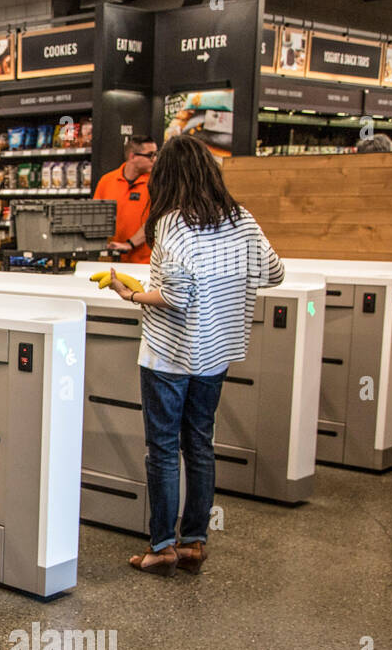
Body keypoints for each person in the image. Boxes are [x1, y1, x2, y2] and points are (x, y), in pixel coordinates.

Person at [104, 134, 284, 576]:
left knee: (163, 450)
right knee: (200, 444)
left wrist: (129, 294)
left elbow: (174, 297)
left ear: (167, 175)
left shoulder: (171, 223)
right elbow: (275, 273)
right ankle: (195, 542)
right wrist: (225, 284)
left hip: (169, 354)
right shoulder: (240, 219)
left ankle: (163, 545)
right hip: (215, 352)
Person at [94, 134, 156, 263]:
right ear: (132, 156)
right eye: (150, 155)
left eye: (156, 154)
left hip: (144, 263)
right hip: (111, 261)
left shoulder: (156, 183)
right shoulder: (107, 181)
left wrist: (129, 244)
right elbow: (95, 218)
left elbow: (155, 221)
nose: (154, 159)